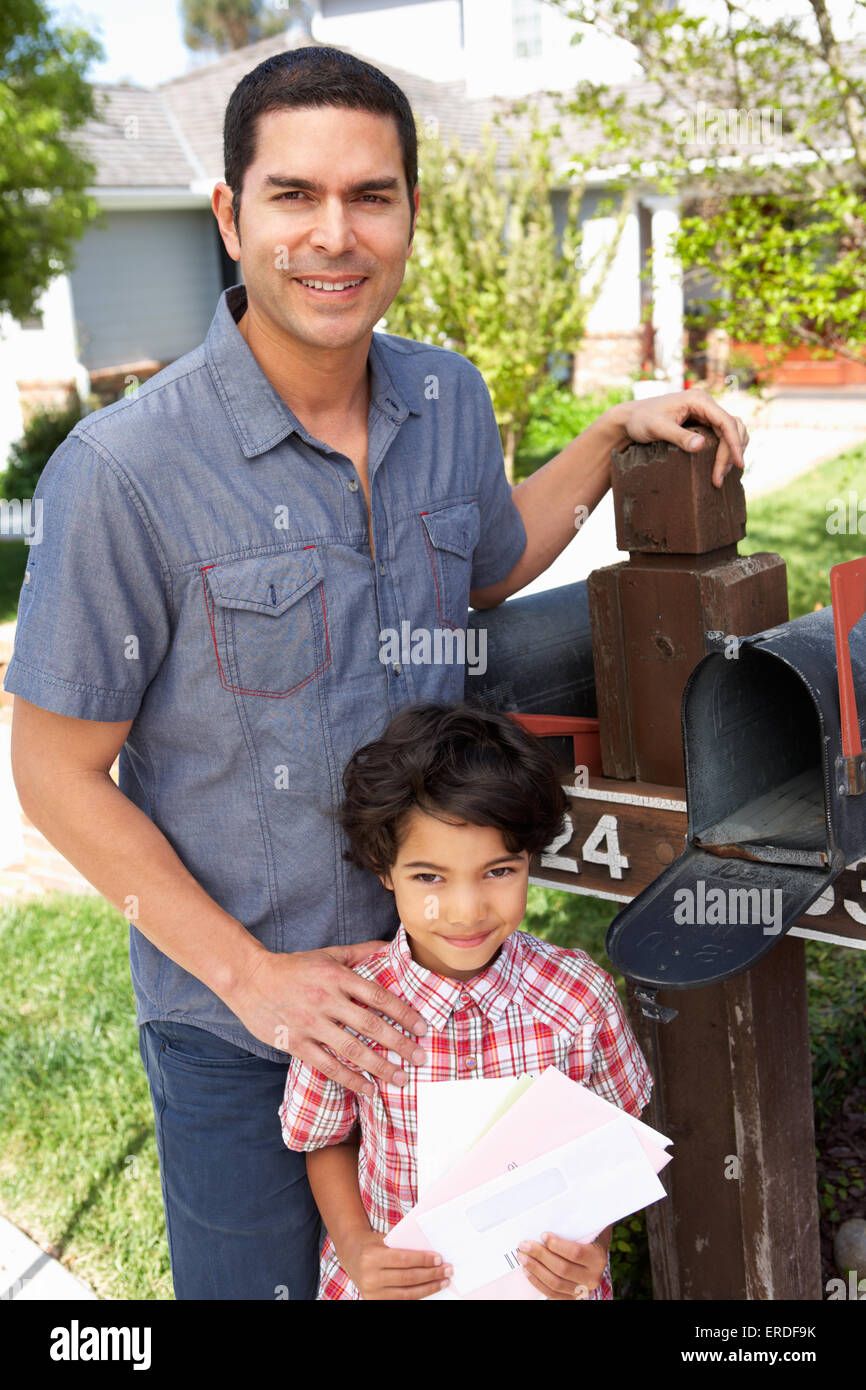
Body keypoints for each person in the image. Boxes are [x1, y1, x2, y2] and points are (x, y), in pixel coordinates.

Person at [6, 46, 745, 1300]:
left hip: (450, 988)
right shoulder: (124, 469)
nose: (333, 234)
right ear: (232, 217)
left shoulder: (444, 397)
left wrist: (610, 434)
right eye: (292, 195)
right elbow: (52, 772)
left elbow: (490, 558)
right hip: (244, 1018)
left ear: (409, 211)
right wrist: (254, 979)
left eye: (372, 195)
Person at [280, 700, 653, 1301]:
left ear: (530, 858)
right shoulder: (351, 1010)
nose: (465, 911)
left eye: (498, 871)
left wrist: (593, 1250)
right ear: (384, 867)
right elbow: (326, 1139)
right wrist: (355, 1247)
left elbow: (611, 1143)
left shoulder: (580, 998)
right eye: (430, 877)